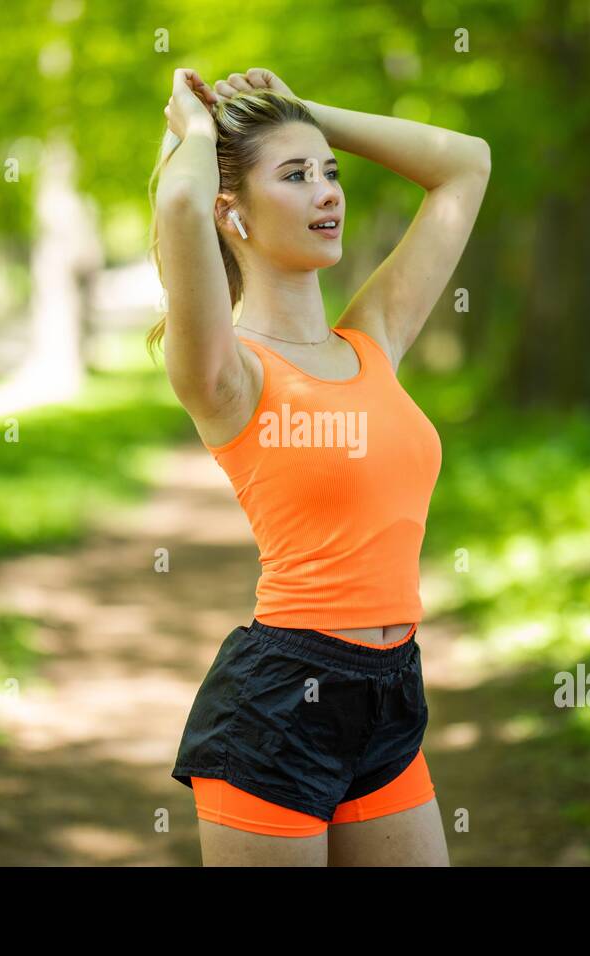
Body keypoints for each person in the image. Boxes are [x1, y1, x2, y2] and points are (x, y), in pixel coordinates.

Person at [149, 67, 490, 866]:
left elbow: (466, 163)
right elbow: (178, 204)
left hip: (391, 693)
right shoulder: (228, 371)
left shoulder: (371, 337)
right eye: (296, 176)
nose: (327, 191)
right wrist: (197, 132)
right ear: (231, 214)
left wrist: (310, 112)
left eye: (330, 170)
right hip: (279, 708)